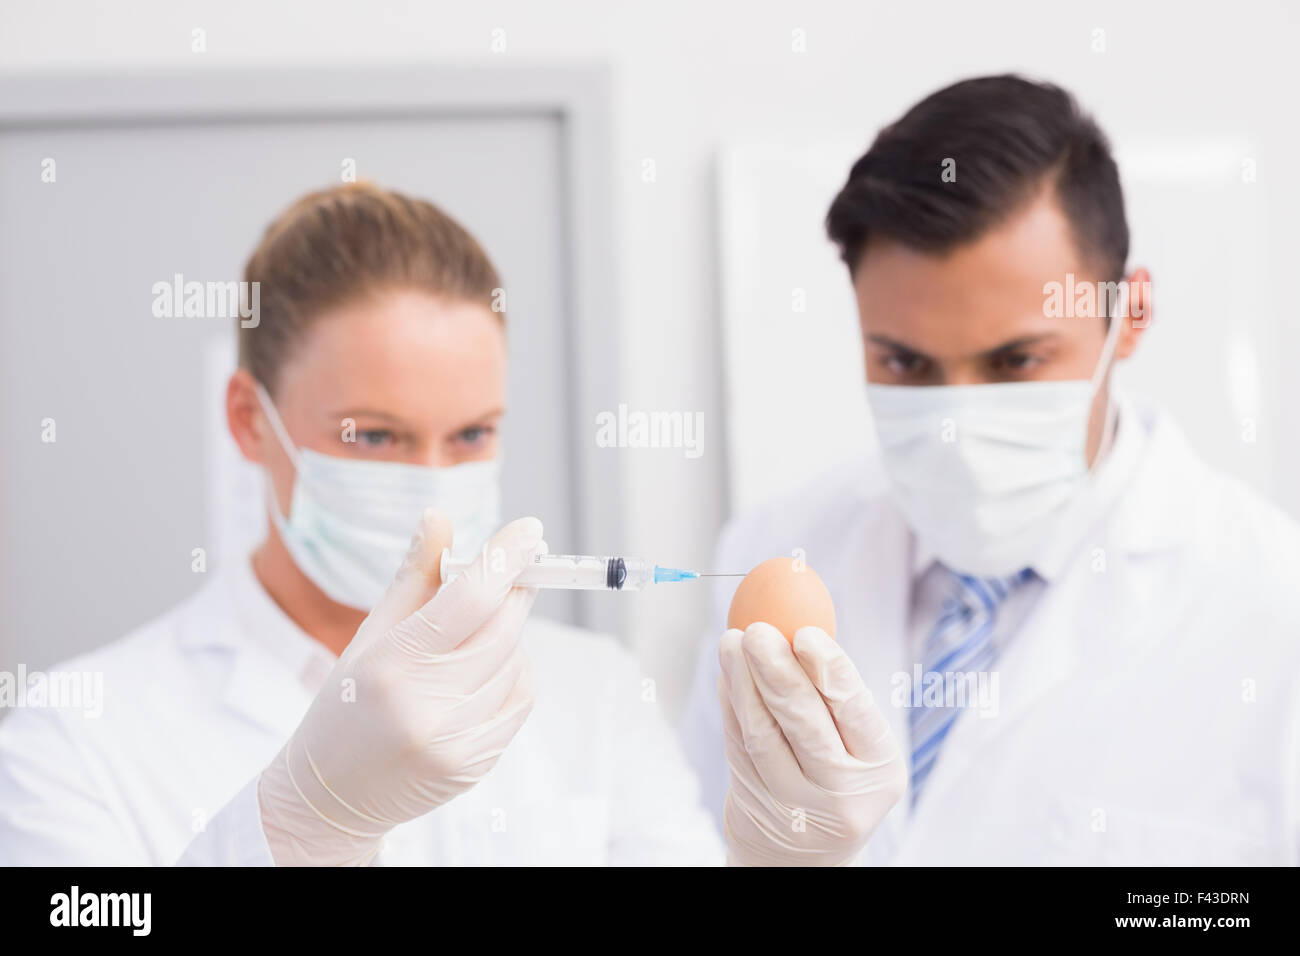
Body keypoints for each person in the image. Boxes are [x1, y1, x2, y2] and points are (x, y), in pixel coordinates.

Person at [0, 182, 880, 866]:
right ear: (247, 420)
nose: (430, 487)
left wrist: (782, 860)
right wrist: (302, 827)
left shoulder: (594, 692)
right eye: (373, 436)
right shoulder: (75, 738)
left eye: (470, 435)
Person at [682, 75, 1300, 865]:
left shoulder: (1271, 607)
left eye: (1016, 361)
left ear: (1129, 315)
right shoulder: (779, 546)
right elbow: (688, 840)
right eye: (905, 362)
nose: (956, 427)